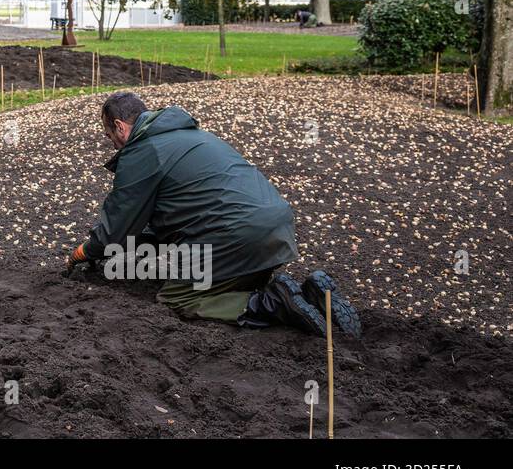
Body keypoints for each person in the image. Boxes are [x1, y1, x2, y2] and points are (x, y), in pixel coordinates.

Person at [66, 91, 361, 338]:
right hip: (275, 227)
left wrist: (85, 251)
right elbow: (175, 219)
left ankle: (270, 303)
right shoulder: (193, 136)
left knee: (179, 297)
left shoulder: (143, 151)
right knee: (229, 280)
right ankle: (313, 296)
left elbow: (117, 227)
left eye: (109, 136)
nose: (112, 144)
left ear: (120, 126)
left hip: (234, 236)